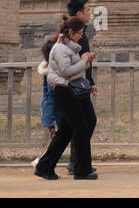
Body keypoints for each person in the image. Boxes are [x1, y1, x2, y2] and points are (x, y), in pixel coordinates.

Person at [34, 17, 97, 180]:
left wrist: (86, 61)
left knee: (66, 132)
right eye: (79, 33)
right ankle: (82, 170)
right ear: (71, 32)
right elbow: (66, 71)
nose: (81, 36)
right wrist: (83, 62)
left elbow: (75, 69)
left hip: (71, 92)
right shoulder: (60, 49)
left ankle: (44, 166)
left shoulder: (69, 48)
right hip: (65, 93)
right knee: (81, 129)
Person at [62, 0, 98, 175]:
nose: (90, 13)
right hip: (75, 87)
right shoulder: (74, 36)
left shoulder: (78, 34)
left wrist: (90, 82)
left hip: (79, 85)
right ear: (79, 13)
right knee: (86, 123)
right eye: (88, 10)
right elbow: (77, 64)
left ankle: (75, 161)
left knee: (79, 125)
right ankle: (77, 163)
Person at [31, 34, 58, 168]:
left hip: (50, 106)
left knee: (55, 137)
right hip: (51, 107)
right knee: (55, 137)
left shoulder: (49, 69)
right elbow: (52, 93)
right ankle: (42, 161)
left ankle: (43, 160)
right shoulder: (51, 72)